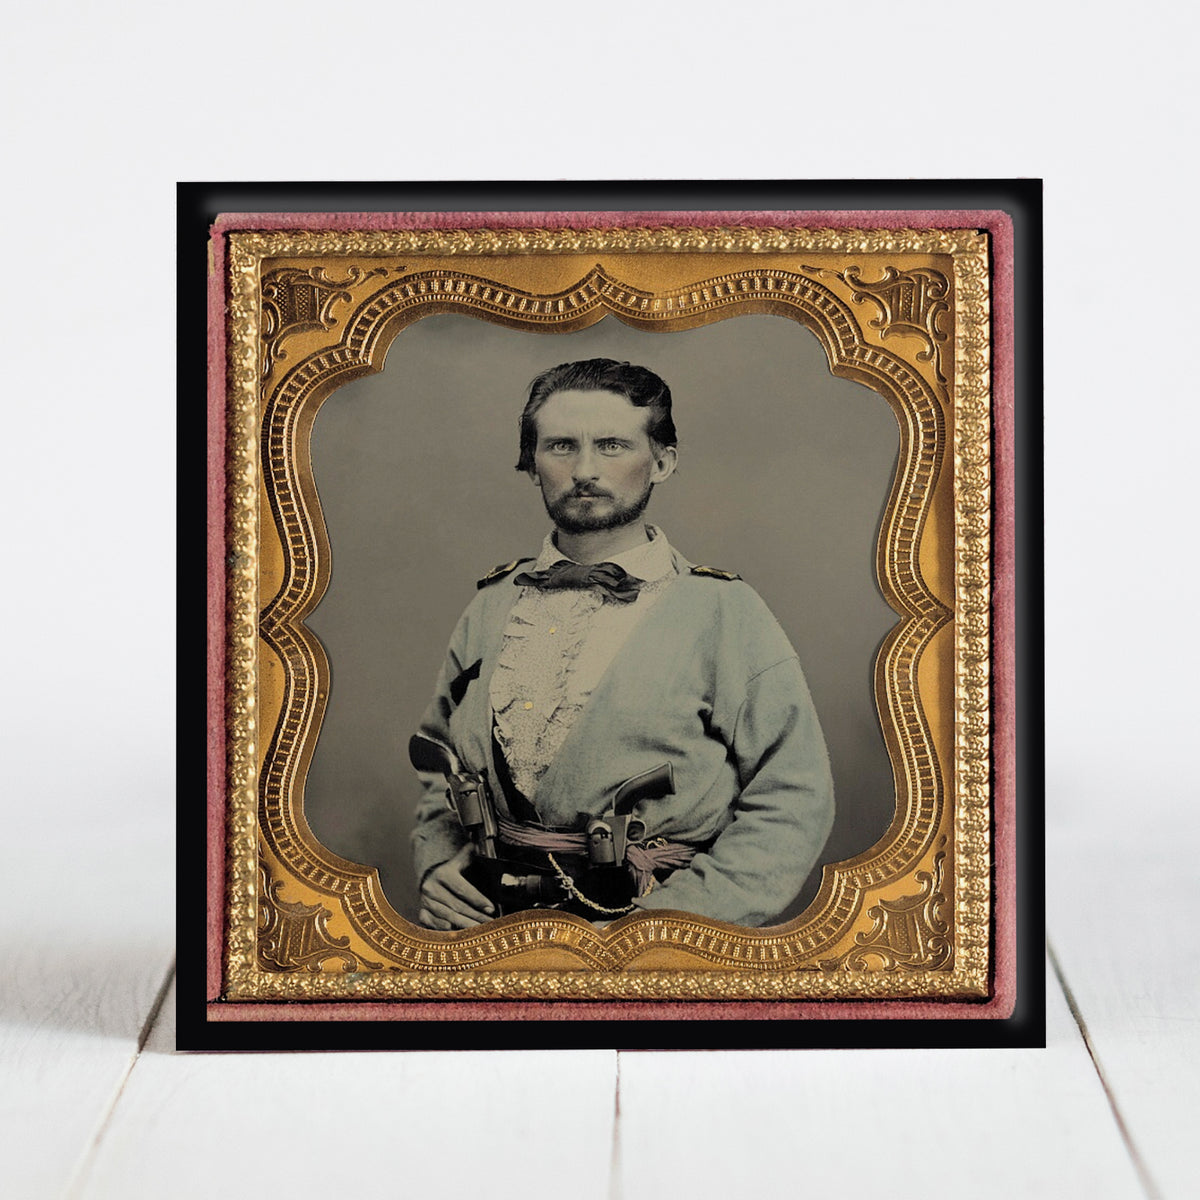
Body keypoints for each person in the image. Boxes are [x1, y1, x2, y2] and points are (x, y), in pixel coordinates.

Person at [411, 358, 834, 930]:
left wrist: (670, 928)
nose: (584, 469)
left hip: (652, 933)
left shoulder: (725, 612)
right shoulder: (491, 604)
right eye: (561, 446)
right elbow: (438, 758)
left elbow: (794, 798)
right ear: (531, 465)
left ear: (662, 462)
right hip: (490, 929)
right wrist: (438, 866)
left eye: (612, 445)